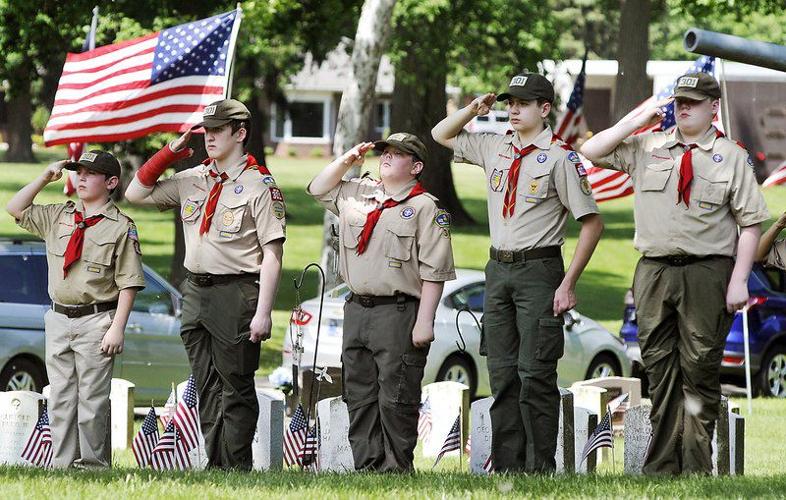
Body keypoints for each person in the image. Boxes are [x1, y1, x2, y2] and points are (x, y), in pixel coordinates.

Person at [581, 72, 768, 475]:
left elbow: (751, 224)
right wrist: (637, 119)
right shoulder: (650, 145)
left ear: (713, 107)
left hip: (707, 271)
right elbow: (592, 150)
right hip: (653, 271)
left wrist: (739, 280)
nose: (683, 107)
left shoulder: (731, 156)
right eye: (679, 101)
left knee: (700, 367)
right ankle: (663, 463)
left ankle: (697, 465)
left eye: (694, 101)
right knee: (658, 367)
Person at [431, 72, 603, 473]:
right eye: (509, 103)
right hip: (498, 270)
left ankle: (539, 467)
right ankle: (508, 466)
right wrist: (474, 109)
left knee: (536, 373)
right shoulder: (496, 147)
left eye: (522, 104)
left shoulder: (561, 157)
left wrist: (568, 283)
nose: (513, 110)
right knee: (502, 373)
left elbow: (592, 224)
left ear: (544, 109)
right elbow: (441, 134)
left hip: (540, 271)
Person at [124, 99, 285, 470]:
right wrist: (168, 154)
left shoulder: (259, 186)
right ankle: (217, 462)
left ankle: (237, 465)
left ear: (240, 133)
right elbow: (136, 194)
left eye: (217, 131)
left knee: (236, 384)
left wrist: (263, 313)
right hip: (195, 292)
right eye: (205, 131)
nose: (208, 138)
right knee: (206, 384)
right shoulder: (193, 178)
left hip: (238, 292)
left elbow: (272, 255)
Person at [307, 133, 455, 472]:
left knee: (396, 394)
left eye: (397, 154)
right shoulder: (359, 191)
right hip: (357, 307)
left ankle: (396, 467)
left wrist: (425, 321)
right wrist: (347, 161)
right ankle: (368, 465)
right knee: (358, 393)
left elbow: (435, 271)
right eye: (385, 152)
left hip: (398, 311)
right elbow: (318, 188)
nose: (386, 157)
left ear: (415, 167)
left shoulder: (425, 208)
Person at [7, 151, 145, 468]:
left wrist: (117, 327)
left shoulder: (121, 227)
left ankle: (94, 467)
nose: (81, 177)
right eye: (78, 171)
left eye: (90, 173)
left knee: (93, 400)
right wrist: (44, 177)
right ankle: (62, 465)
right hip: (57, 317)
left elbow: (129, 282)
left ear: (111, 182)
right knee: (60, 397)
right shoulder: (59, 216)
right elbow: (15, 207)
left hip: (97, 320)